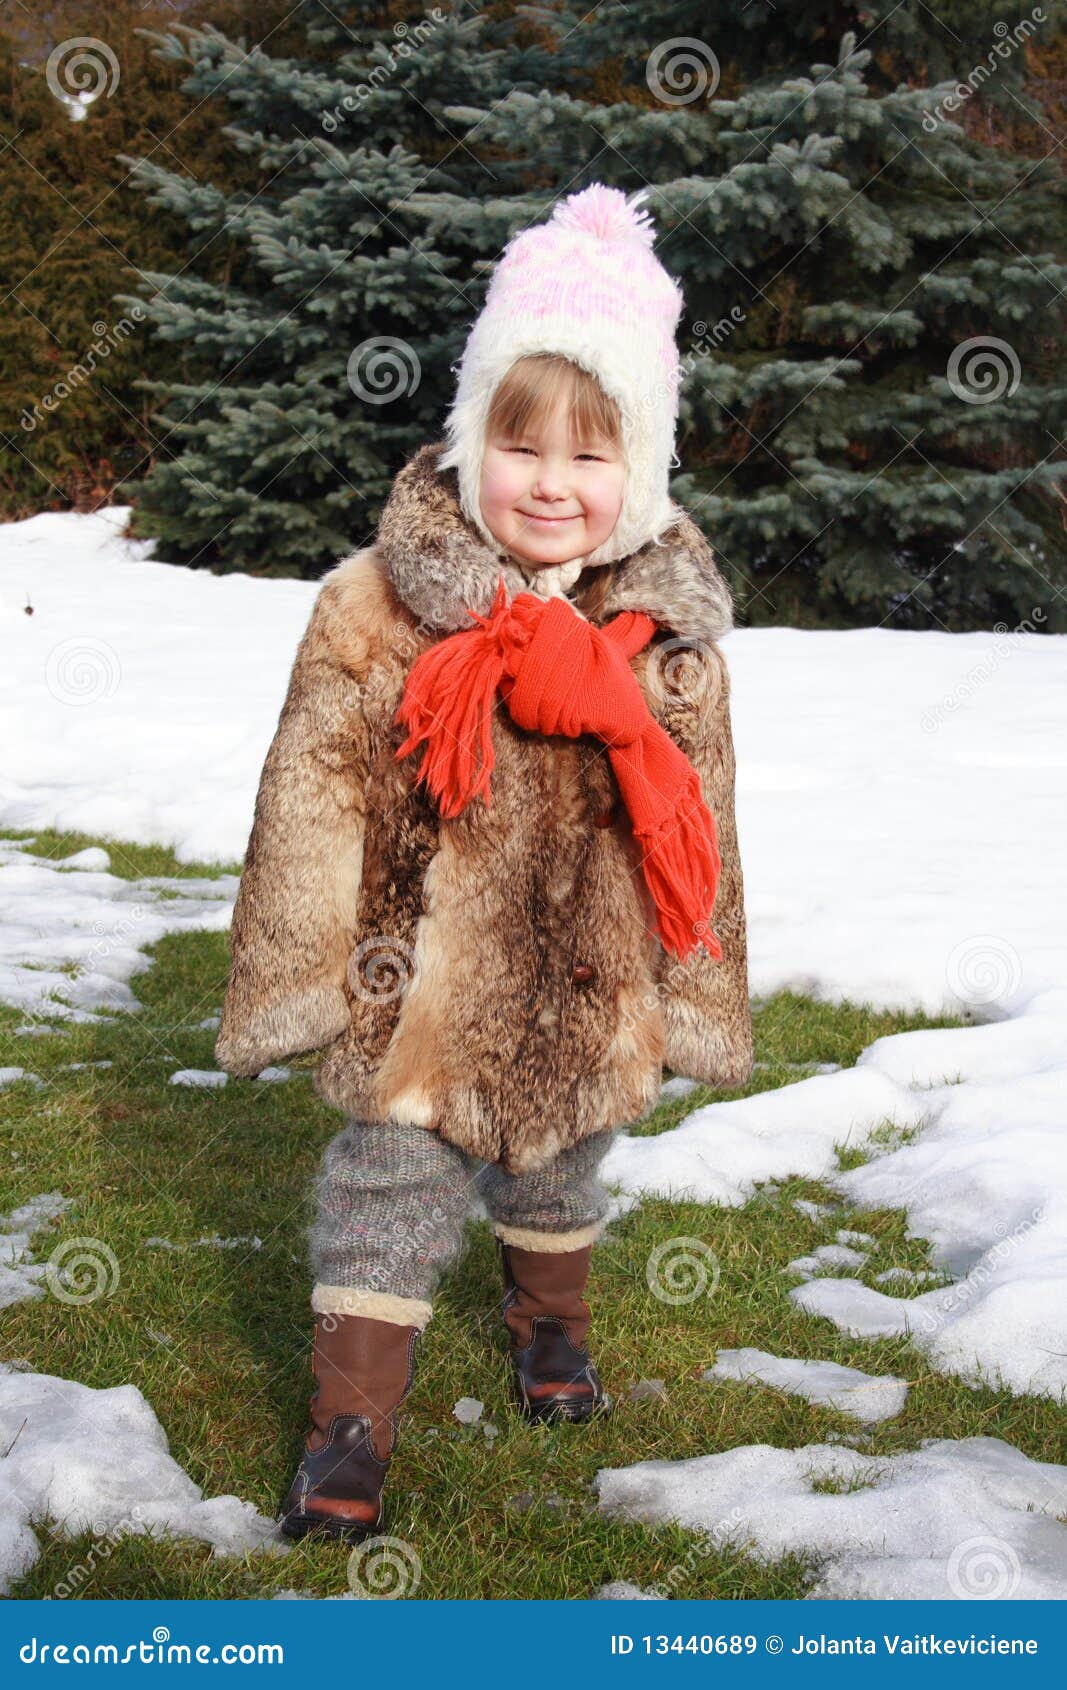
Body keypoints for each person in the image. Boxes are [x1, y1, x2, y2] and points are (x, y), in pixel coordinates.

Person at [214, 182, 753, 1542]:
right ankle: (350, 1429)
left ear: (642, 470)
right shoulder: (381, 606)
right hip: (420, 985)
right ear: (471, 443)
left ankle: (548, 1326)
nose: (554, 485)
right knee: (382, 1189)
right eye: (523, 448)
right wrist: (301, 975)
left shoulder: (661, 636)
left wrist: (691, 994)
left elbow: (703, 828)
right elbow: (309, 793)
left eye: (591, 455)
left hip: (587, 977)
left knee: (564, 1163)